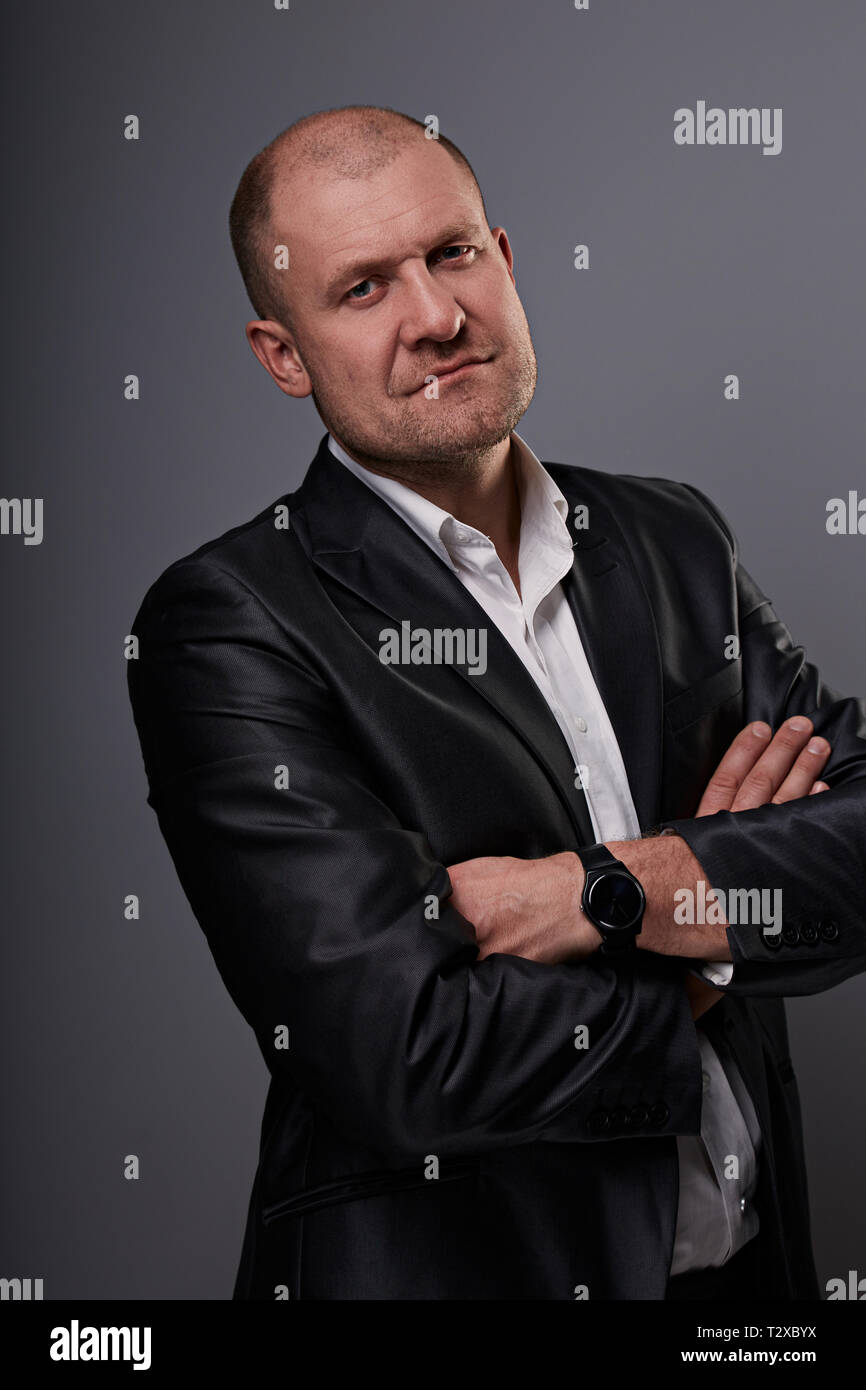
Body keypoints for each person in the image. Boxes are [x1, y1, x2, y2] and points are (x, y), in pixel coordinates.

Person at [127, 105, 866, 1300]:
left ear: (506, 259)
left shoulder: (672, 536)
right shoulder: (227, 622)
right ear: (283, 354)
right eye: (362, 289)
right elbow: (402, 1054)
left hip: (744, 1286)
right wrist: (706, 929)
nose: (433, 317)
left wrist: (585, 893)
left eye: (451, 253)